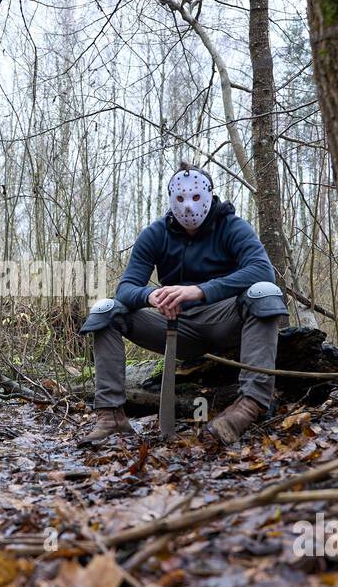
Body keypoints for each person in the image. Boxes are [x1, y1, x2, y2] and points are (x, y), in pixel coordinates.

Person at [78, 163, 289, 446]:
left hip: (223, 321)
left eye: (196, 198)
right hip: (174, 326)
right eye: (180, 199)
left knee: (264, 293)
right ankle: (110, 416)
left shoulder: (232, 227)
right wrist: (149, 296)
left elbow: (262, 271)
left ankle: (247, 408)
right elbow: (125, 289)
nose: (188, 207)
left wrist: (199, 291)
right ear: (170, 199)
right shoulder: (155, 234)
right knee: (105, 310)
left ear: (210, 195)